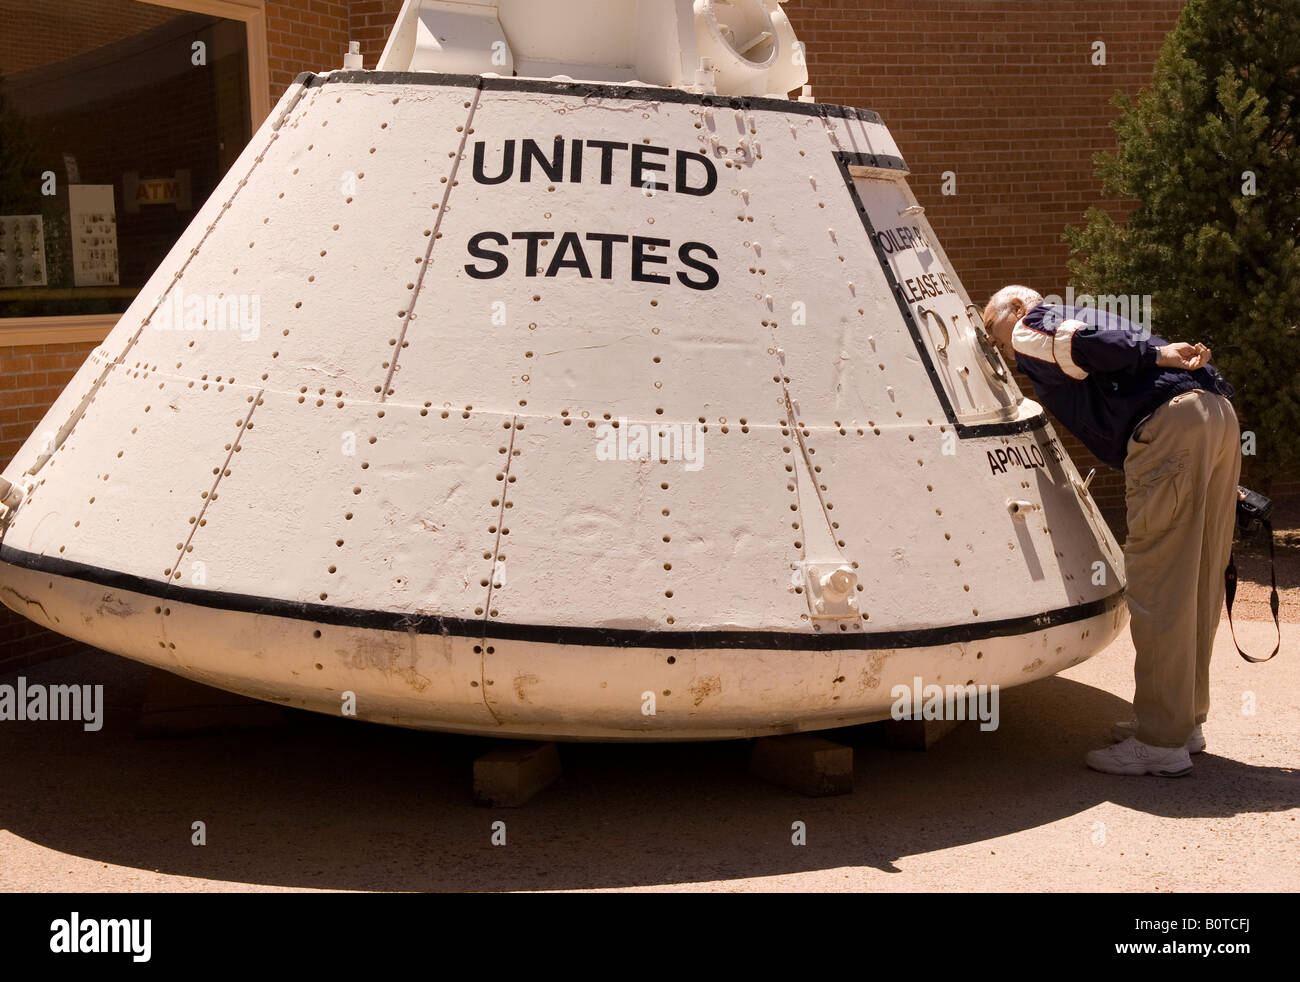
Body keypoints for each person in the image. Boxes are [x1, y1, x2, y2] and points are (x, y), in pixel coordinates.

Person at [981, 286, 1240, 777]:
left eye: (995, 335)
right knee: (1199, 579)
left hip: (1168, 427)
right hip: (1213, 414)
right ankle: (1181, 723)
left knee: (1159, 585)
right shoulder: (1081, 313)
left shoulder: (1031, 322)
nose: (1003, 352)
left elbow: (1080, 340)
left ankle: (1161, 742)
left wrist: (1156, 353)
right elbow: (1101, 339)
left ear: (1013, 310)